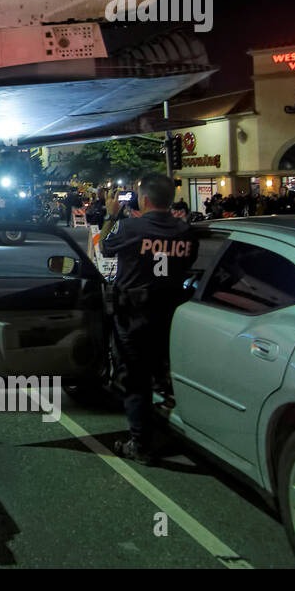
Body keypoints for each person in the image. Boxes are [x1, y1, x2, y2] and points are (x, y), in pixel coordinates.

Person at [99, 173, 198, 464]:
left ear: (143, 199)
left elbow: (104, 245)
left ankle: (140, 443)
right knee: (162, 371)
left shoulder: (131, 227)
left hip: (134, 316)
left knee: (136, 379)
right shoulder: (185, 231)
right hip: (171, 315)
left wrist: (110, 215)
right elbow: (189, 263)